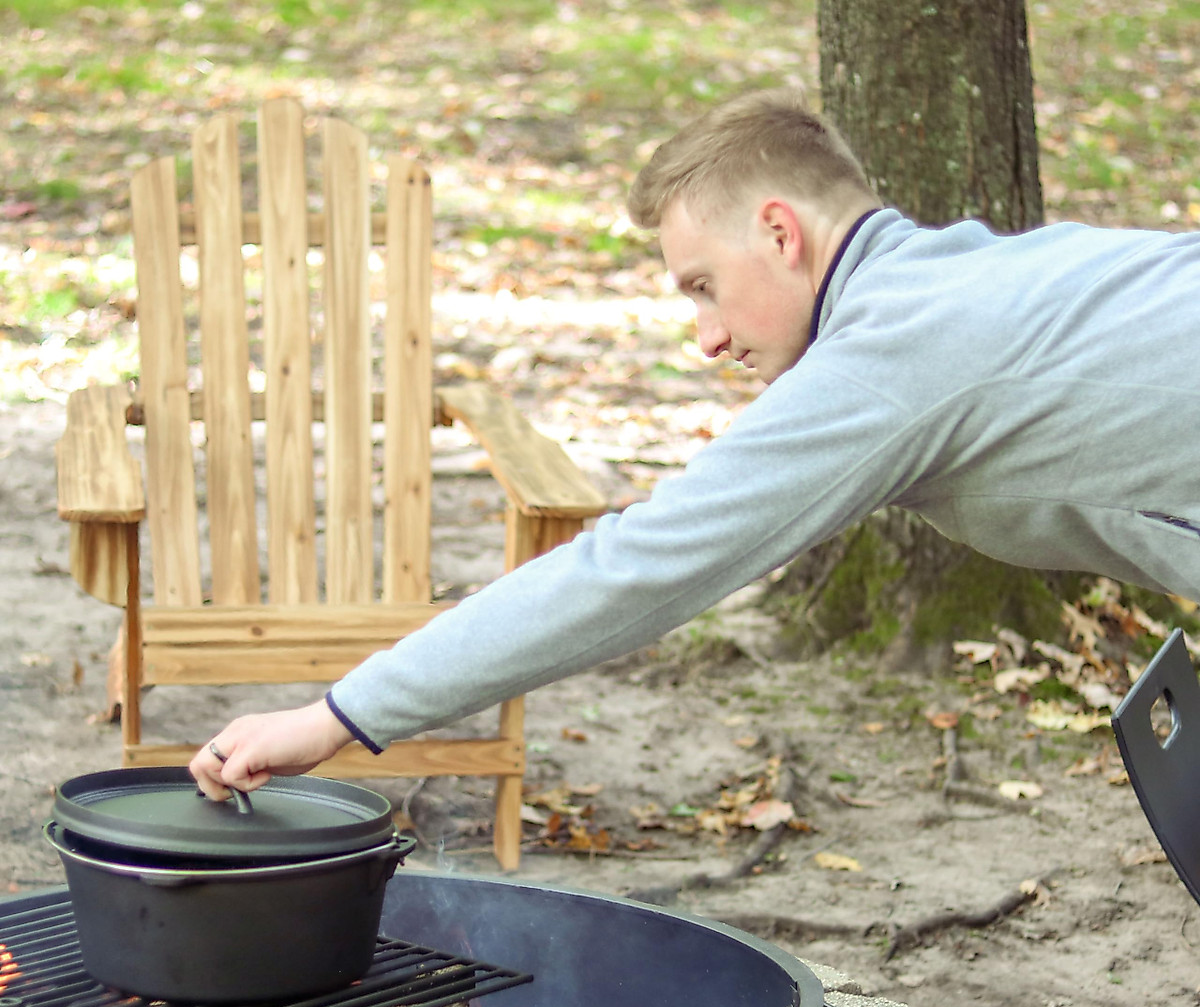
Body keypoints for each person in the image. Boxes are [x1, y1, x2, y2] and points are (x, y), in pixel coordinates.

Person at [192, 87, 1200, 800]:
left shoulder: (892, 356)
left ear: (778, 231)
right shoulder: (961, 282)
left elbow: (636, 568)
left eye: (701, 287)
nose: (709, 337)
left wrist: (337, 716)